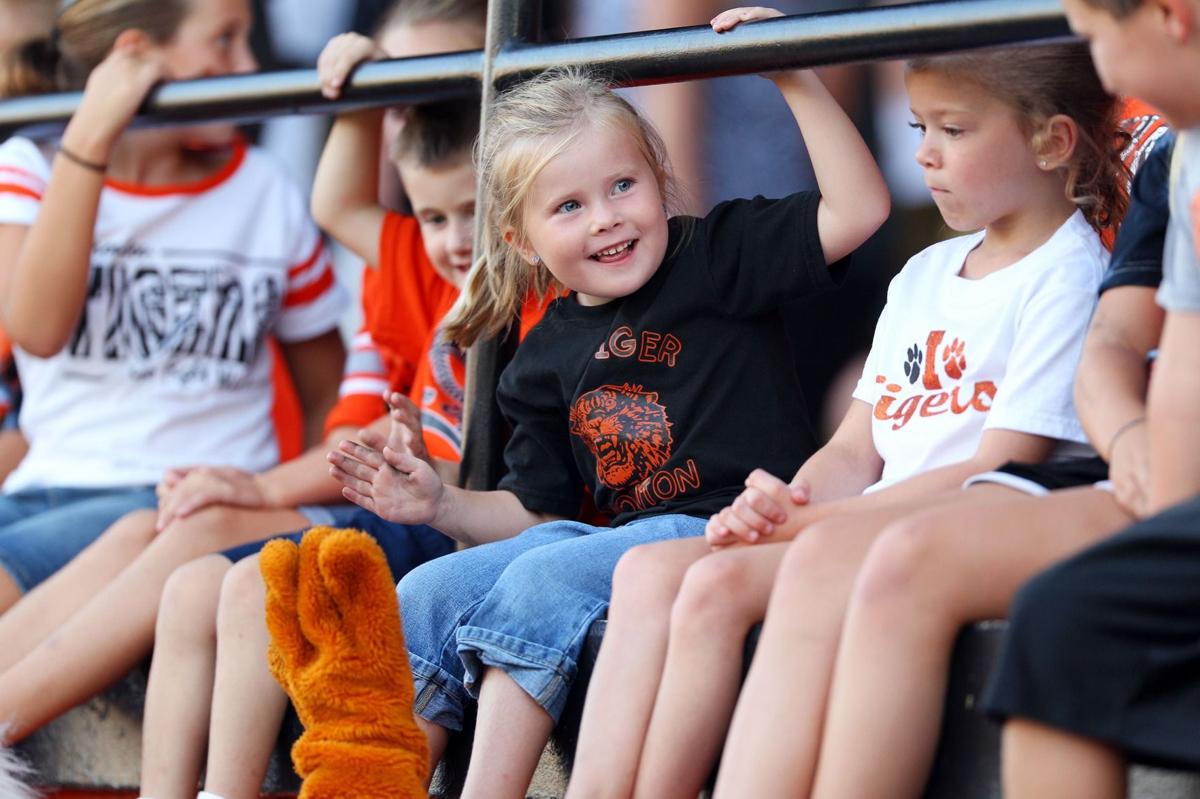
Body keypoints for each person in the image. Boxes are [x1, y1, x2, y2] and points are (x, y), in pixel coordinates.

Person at [325, 8, 890, 795]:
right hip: (620, 545)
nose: (607, 217)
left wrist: (792, 74)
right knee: (424, 592)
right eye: (569, 206)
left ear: (659, 178)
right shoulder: (543, 352)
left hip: (730, 525)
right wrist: (439, 504)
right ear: (519, 240)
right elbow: (535, 510)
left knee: (542, 581)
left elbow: (859, 209)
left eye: (624, 185)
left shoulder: (714, 254)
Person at [563, 40, 1130, 799]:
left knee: (723, 582)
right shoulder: (925, 272)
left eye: (953, 130)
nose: (924, 154)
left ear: (1052, 141)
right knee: (647, 570)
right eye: (918, 128)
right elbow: (855, 448)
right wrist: (786, 501)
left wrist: (810, 523)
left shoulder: (1068, 274)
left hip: (935, 530)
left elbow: (996, 467)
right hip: (860, 522)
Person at [136, 40, 485, 799]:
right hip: (402, 506)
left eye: (474, 213)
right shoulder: (420, 262)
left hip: (459, 524)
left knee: (253, 585)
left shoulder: (536, 284)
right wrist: (362, 90)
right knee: (192, 586)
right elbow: (336, 205)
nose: (457, 238)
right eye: (433, 216)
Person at [0, 0, 350, 752]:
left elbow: (328, 391)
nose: (246, 69)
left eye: (248, 42)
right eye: (223, 42)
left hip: (179, 498)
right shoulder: (32, 162)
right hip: (44, 491)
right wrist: (90, 137)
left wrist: (271, 502)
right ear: (135, 52)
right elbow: (37, 327)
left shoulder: (264, 188)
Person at [985, 1, 1200, 797]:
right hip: (1171, 491)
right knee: (1061, 619)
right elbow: (1168, 359)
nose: (1095, 66)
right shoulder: (1185, 154)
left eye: (1095, 35)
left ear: (1171, 16)